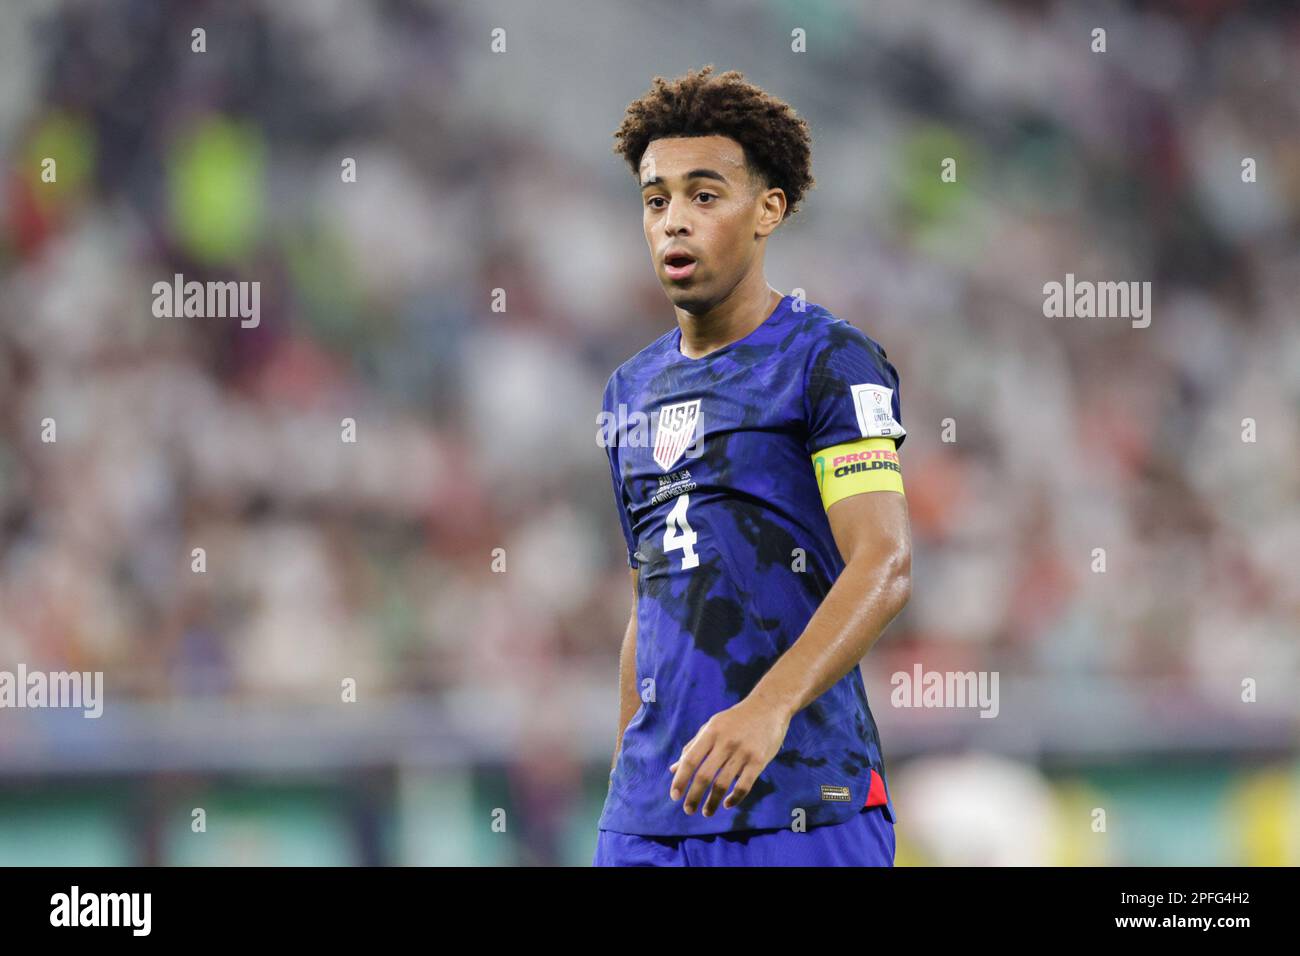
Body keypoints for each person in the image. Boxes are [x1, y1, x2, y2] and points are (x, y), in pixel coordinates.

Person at [593, 66, 912, 866]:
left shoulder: (828, 360)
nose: (674, 221)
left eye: (705, 196)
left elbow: (886, 561)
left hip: (804, 804)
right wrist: (626, 774)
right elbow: (651, 593)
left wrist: (766, 710)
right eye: (656, 198)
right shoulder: (629, 389)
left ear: (769, 209)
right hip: (651, 818)